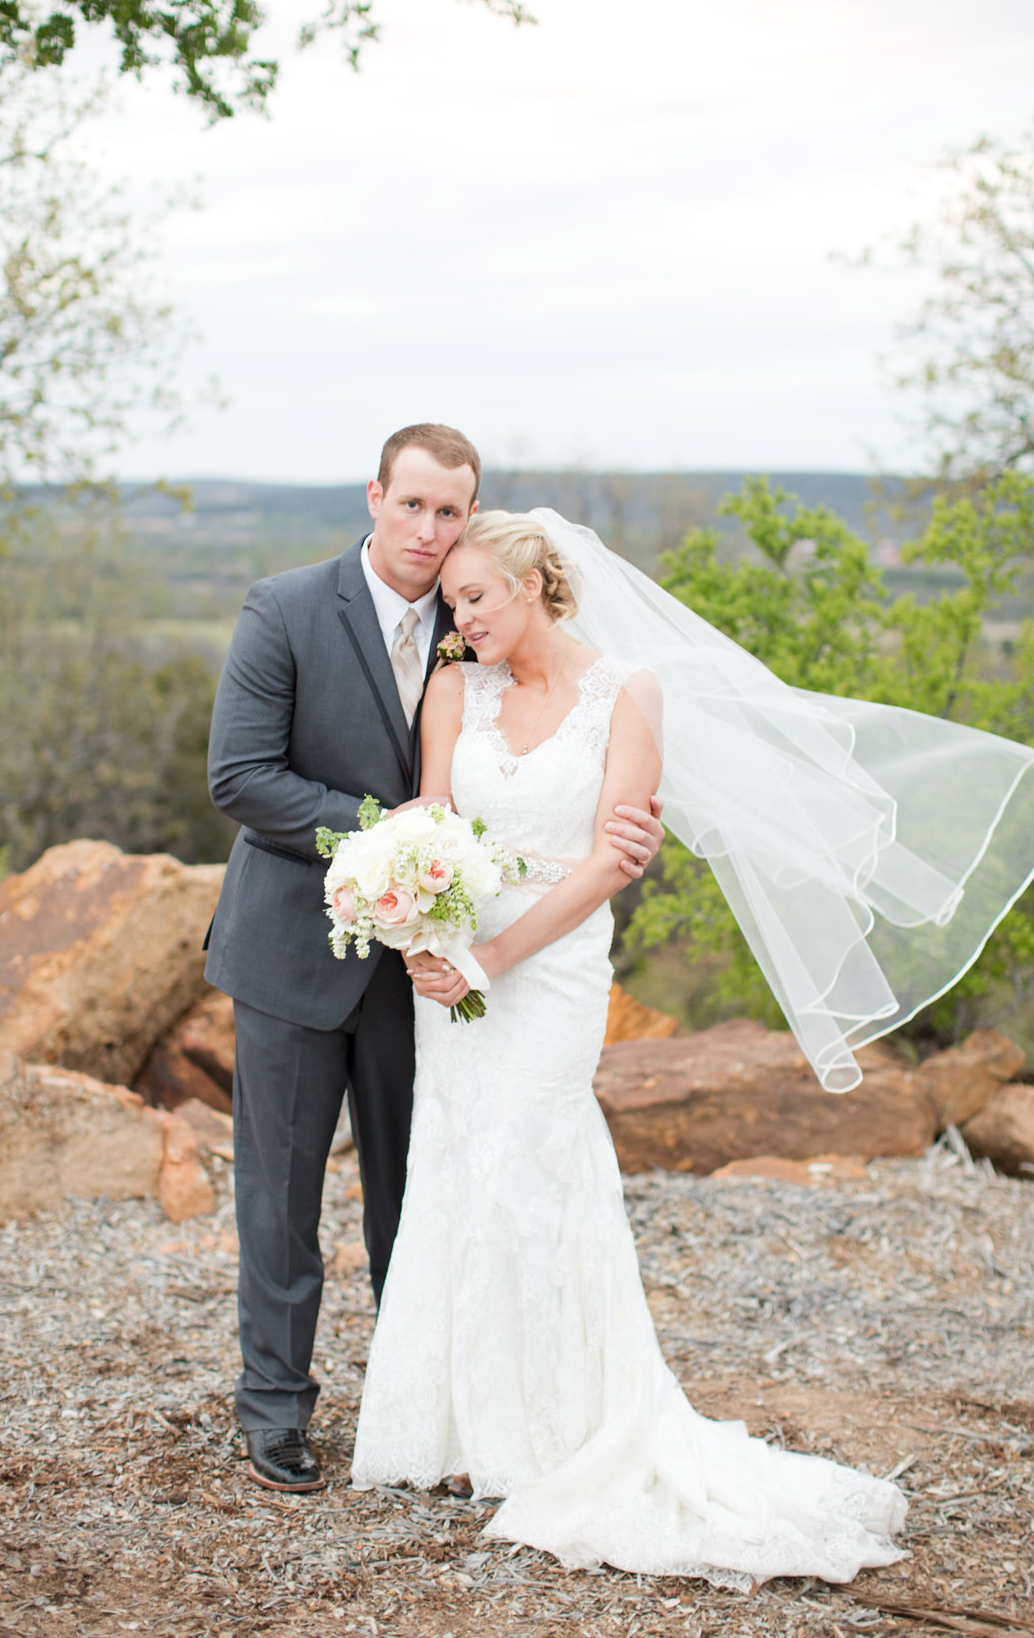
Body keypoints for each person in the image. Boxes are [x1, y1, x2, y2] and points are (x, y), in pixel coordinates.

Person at [351, 507, 1034, 1585]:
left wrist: (495, 961)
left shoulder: (628, 692)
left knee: (535, 1163)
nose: (460, 620)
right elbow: (430, 823)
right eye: (451, 605)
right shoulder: (454, 690)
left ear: (536, 582)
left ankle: (553, 1431)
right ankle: (458, 1433)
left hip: (547, 971)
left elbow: (610, 861)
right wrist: (419, 927)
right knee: (456, 1165)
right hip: (450, 965)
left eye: (476, 598)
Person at [204, 430, 664, 1493]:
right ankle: (275, 1409)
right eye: (411, 505)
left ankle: (436, 1411)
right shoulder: (285, 608)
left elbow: (560, 766)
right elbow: (240, 778)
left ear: (474, 522)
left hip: (430, 972)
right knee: (279, 1199)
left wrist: (607, 837)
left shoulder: (475, 636)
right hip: (296, 950)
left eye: (448, 513)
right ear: (376, 496)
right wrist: (391, 832)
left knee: (418, 1195)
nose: (426, 530)